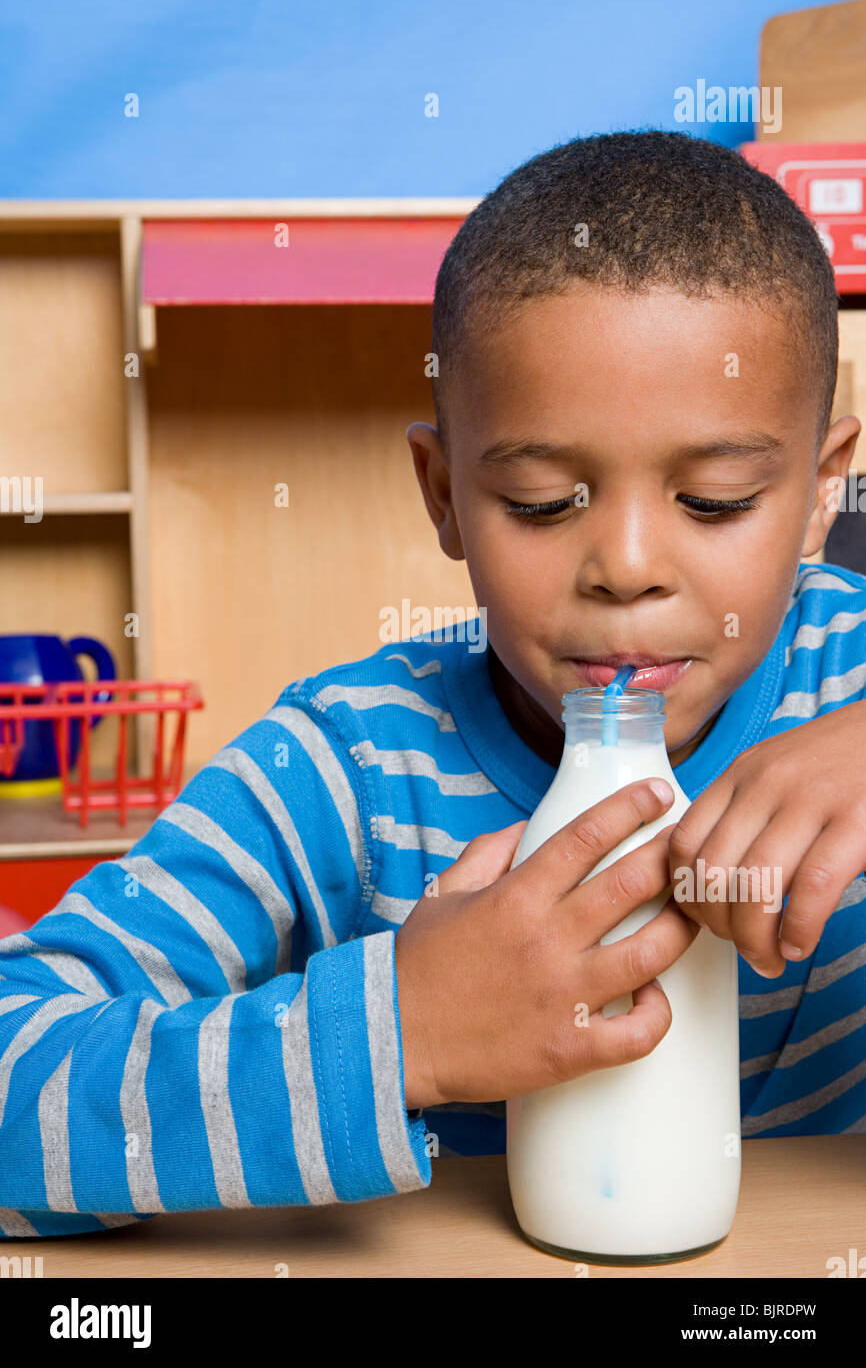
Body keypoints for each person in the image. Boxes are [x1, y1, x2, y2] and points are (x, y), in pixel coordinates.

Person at [1, 130, 863, 1240]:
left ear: (817, 493)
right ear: (444, 494)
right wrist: (400, 1027)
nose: (627, 567)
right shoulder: (348, 762)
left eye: (715, 500)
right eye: (544, 502)